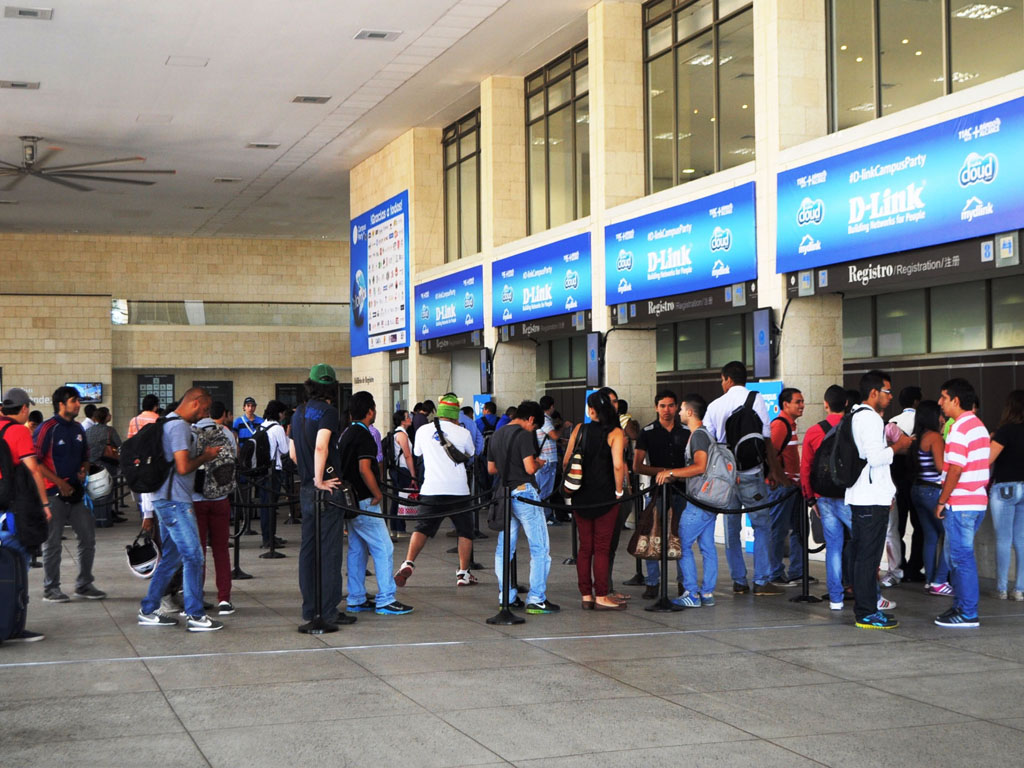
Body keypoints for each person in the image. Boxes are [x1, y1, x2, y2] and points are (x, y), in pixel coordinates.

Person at [137, 387, 225, 631]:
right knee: (194, 555)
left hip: (166, 499)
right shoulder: (179, 427)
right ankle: (196, 615)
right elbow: (184, 467)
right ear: (195, 403)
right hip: (175, 501)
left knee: (172, 558)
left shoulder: (169, 423)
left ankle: (148, 609)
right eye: (205, 409)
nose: (205, 414)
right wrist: (206, 456)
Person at [703, 361, 783, 597]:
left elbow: (707, 441)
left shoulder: (716, 405)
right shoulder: (756, 399)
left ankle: (739, 581)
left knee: (731, 529)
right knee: (761, 525)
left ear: (726, 379)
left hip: (725, 478)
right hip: (751, 474)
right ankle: (761, 580)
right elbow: (766, 438)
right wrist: (774, 471)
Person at [289, 364, 356, 629]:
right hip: (326, 490)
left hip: (306, 490)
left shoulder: (298, 413)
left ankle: (310, 608)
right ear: (333, 387)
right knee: (329, 552)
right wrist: (320, 480)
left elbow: (293, 454)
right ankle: (328, 611)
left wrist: (309, 478)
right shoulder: (328, 412)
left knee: (309, 550)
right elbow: (321, 445)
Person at [339, 391, 412, 616]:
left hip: (349, 500)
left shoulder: (346, 434)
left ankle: (356, 597)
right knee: (384, 547)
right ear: (370, 411)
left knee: (357, 549)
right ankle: (386, 598)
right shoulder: (365, 435)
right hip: (364, 500)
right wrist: (377, 493)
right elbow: (364, 469)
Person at [395, 392, 478, 588]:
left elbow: (417, 453)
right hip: (458, 490)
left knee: (422, 528)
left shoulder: (423, 430)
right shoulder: (463, 433)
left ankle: (408, 562)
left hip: (431, 488)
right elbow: (471, 453)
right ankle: (463, 573)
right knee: (465, 531)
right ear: (456, 413)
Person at [34, 386, 106, 603]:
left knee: (87, 538)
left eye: (78, 400)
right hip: (53, 494)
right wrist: (58, 483)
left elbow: (86, 455)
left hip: (76, 493)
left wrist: (84, 469)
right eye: (74, 400)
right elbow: (35, 463)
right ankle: (51, 588)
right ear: (61, 404)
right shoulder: (48, 428)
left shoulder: (77, 428)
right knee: (53, 542)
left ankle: (84, 584)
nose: (78, 404)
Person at [488, 400, 557, 613]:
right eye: (534, 426)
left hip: (504, 493)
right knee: (539, 547)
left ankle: (506, 596)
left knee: (504, 548)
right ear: (531, 419)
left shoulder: (497, 434)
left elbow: (491, 469)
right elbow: (529, 467)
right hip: (524, 491)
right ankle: (536, 598)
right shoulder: (525, 435)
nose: (533, 429)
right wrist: (539, 463)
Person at [933, 378, 990, 628]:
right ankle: (960, 606)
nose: (940, 402)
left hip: (961, 503)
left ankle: (967, 612)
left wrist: (942, 501)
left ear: (956, 400)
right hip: (977, 501)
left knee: (961, 557)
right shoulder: (978, 426)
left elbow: (955, 469)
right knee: (958, 557)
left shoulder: (959, 428)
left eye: (943, 397)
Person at [846, 370, 899, 630]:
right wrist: (898, 447)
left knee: (865, 557)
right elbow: (875, 458)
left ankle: (867, 609)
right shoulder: (870, 419)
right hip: (869, 499)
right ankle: (866, 612)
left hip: (864, 497)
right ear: (874, 392)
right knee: (868, 558)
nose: (890, 397)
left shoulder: (856, 415)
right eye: (887, 391)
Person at [566, 390, 626, 611]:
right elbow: (618, 465)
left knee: (585, 548)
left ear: (592, 410)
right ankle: (601, 595)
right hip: (605, 497)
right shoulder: (615, 433)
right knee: (601, 548)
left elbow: (566, 461)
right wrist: (619, 491)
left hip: (581, 496)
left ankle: (586, 596)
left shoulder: (580, 430)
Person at [0, 388, 52, 642]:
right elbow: (34, 470)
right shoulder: (19, 431)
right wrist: (44, 504)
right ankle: (13, 626)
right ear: (22, 409)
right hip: (11, 509)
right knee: (16, 566)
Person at [660, 394, 718, 608]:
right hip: (709, 499)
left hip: (699, 500)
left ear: (690, 412)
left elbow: (700, 466)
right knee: (707, 547)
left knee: (682, 544)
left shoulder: (698, 436)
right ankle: (707, 594)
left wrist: (672, 472)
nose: (679, 412)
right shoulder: (705, 434)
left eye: (682, 409)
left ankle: (692, 593)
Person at [633, 389, 690, 599]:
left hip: (682, 491)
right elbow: (637, 466)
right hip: (656, 491)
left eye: (671, 405)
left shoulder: (686, 431)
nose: (667, 410)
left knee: (681, 537)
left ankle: (684, 583)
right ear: (656, 407)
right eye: (663, 406)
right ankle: (652, 582)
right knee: (652, 536)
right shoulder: (647, 432)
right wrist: (663, 473)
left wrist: (676, 475)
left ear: (677, 407)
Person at [801, 385, 852, 610]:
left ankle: (836, 599)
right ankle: (871, 593)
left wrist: (811, 499)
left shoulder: (814, 431)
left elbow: (806, 468)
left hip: (824, 497)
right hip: (850, 496)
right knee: (864, 543)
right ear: (847, 404)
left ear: (825, 404)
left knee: (833, 547)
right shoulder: (853, 427)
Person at [192, 400, 237, 615]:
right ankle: (224, 599)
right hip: (221, 496)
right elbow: (233, 459)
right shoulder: (226, 432)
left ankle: (195, 596)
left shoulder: (190, 432)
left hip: (197, 498)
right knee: (221, 549)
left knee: (196, 551)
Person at [909, 401, 951, 597]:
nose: (943, 418)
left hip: (917, 490)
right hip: (933, 492)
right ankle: (939, 581)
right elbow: (942, 467)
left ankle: (929, 581)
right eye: (940, 415)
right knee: (951, 535)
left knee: (931, 537)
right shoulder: (934, 437)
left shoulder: (917, 437)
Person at [768, 387, 807, 587]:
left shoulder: (791, 425)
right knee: (778, 530)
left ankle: (797, 571)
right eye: (798, 401)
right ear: (786, 404)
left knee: (799, 529)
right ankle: (775, 573)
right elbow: (771, 454)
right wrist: (781, 479)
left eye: (802, 401)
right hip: (783, 489)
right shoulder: (780, 425)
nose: (802, 405)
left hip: (793, 487)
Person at [989, 390, 1024, 601]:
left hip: (1005, 488)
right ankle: (1019, 589)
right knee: (1021, 539)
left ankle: (1001, 588)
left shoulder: (1005, 431)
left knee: (1003, 539)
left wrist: (990, 440)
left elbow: (987, 459)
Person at [889, 386, 924, 582]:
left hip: (897, 480)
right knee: (919, 527)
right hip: (917, 479)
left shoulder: (893, 422)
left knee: (898, 527)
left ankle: (899, 566)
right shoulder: (923, 421)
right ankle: (914, 568)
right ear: (917, 401)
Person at [259, 400, 289, 550]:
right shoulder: (277, 428)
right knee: (272, 505)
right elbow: (284, 450)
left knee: (265, 505)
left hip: (263, 471)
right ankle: (270, 539)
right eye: (283, 413)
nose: (284, 416)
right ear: (279, 413)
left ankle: (267, 536)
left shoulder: (262, 425)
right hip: (274, 469)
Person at [388, 409, 416, 535]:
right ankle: (399, 528)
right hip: (403, 470)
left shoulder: (396, 433)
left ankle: (395, 528)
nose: (410, 418)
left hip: (396, 469)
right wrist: (413, 475)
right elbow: (408, 456)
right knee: (401, 499)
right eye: (407, 417)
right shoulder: (402, 435)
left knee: (397, 498)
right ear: (402, 421)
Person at [535, 396, 560, 525]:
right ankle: (544, 517)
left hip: (542, 460)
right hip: (547, 460)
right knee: (545, 490)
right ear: (551, 406)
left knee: (542, 489)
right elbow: (554, 436)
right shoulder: (545, 420)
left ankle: (544, 515)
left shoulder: (541, 420)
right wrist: (564, 427)